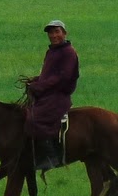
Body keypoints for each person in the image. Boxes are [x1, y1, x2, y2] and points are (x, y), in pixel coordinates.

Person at [24, 19, 79, 172]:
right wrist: (35, 80)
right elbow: (49, 75)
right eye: (50, 32)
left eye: (57, 31)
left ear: (64, 33)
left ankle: (50, 156)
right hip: (49, 94)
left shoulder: (68, 52)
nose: (53, 35)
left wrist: (39, 86)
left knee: (34, 119)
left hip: (58, 96)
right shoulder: (52, 51)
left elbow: (62, 77)